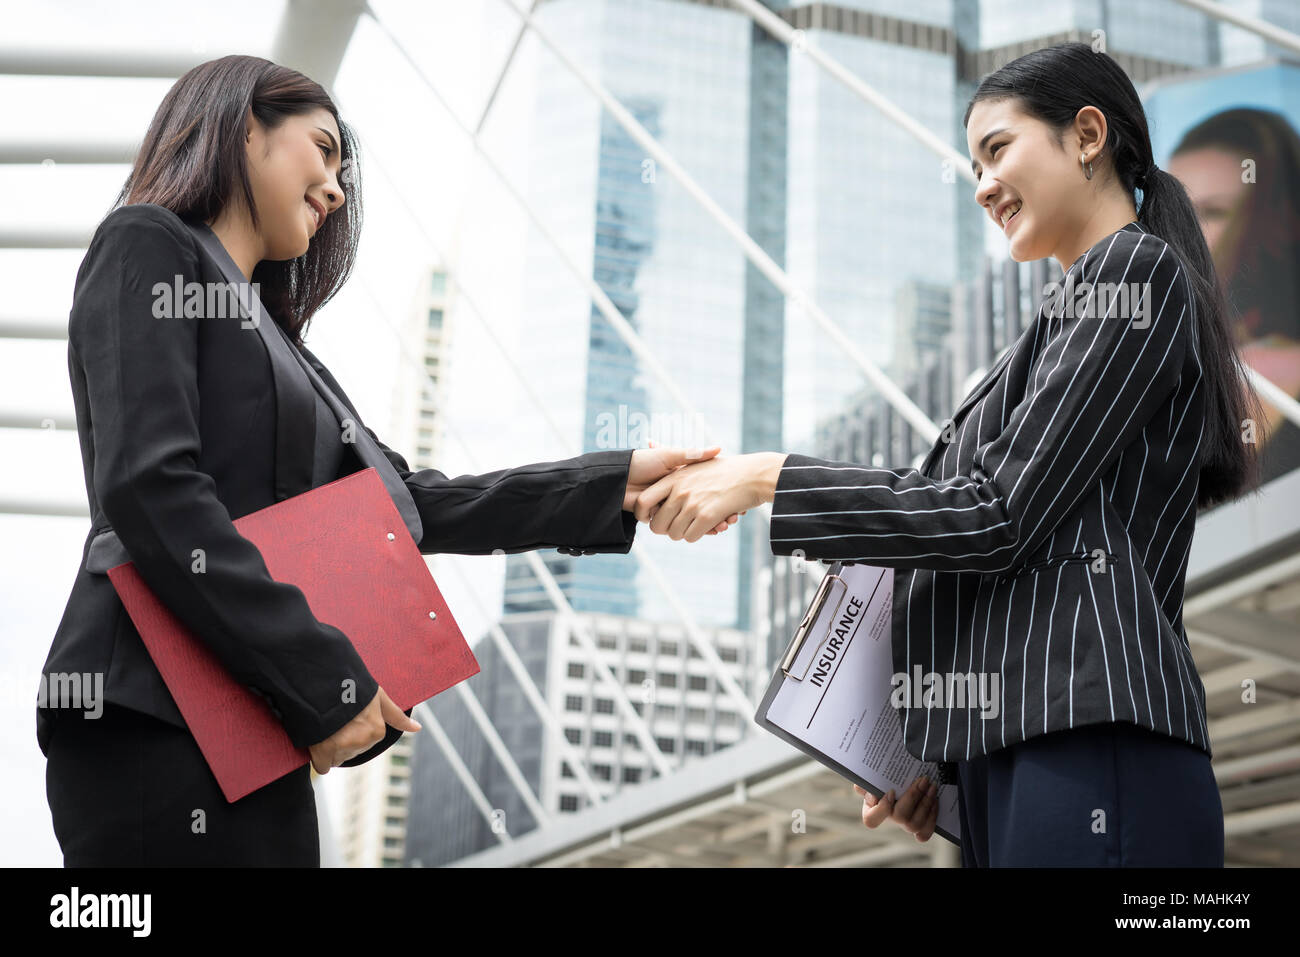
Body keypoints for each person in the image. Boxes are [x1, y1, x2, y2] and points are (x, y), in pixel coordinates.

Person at [38, 54, 739, 867]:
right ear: (241, 125)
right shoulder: (145, 243)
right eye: (323, 148)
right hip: (151, 706)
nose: (336, 188)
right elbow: (149, 486)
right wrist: (320, 671)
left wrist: (612, 484)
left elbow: (408, 504)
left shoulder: (286, 349)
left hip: (254, 723)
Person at [633, 43, 1266, 867]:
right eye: (972, 164)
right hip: (1025, 754)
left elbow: (995, 515)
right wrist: (938, 761)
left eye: (997, 149)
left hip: (1095, 741)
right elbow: (993, 541)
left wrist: (766, 477)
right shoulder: (1050, 329)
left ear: (1086, 135)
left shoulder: (1134, 276)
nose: (981, 186)